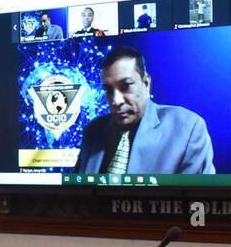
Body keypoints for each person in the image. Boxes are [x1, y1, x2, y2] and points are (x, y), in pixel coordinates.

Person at [74, 45, 215, 176]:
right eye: (109, 90)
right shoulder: (93, 131)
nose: (116, 101)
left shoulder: (187, 127)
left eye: (126, 86)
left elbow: (200, 198)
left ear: (146, 83)